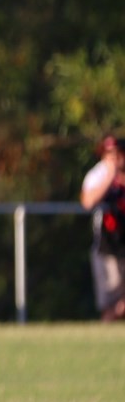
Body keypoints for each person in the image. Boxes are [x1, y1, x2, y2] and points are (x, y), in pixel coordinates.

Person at [79, 134, 125, 322]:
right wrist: (110, 178)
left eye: (117, 154)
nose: (113, 159)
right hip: (107, 248)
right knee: (110, 305)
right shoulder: (97, 174)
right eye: (108, 155)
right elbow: (87, 202)